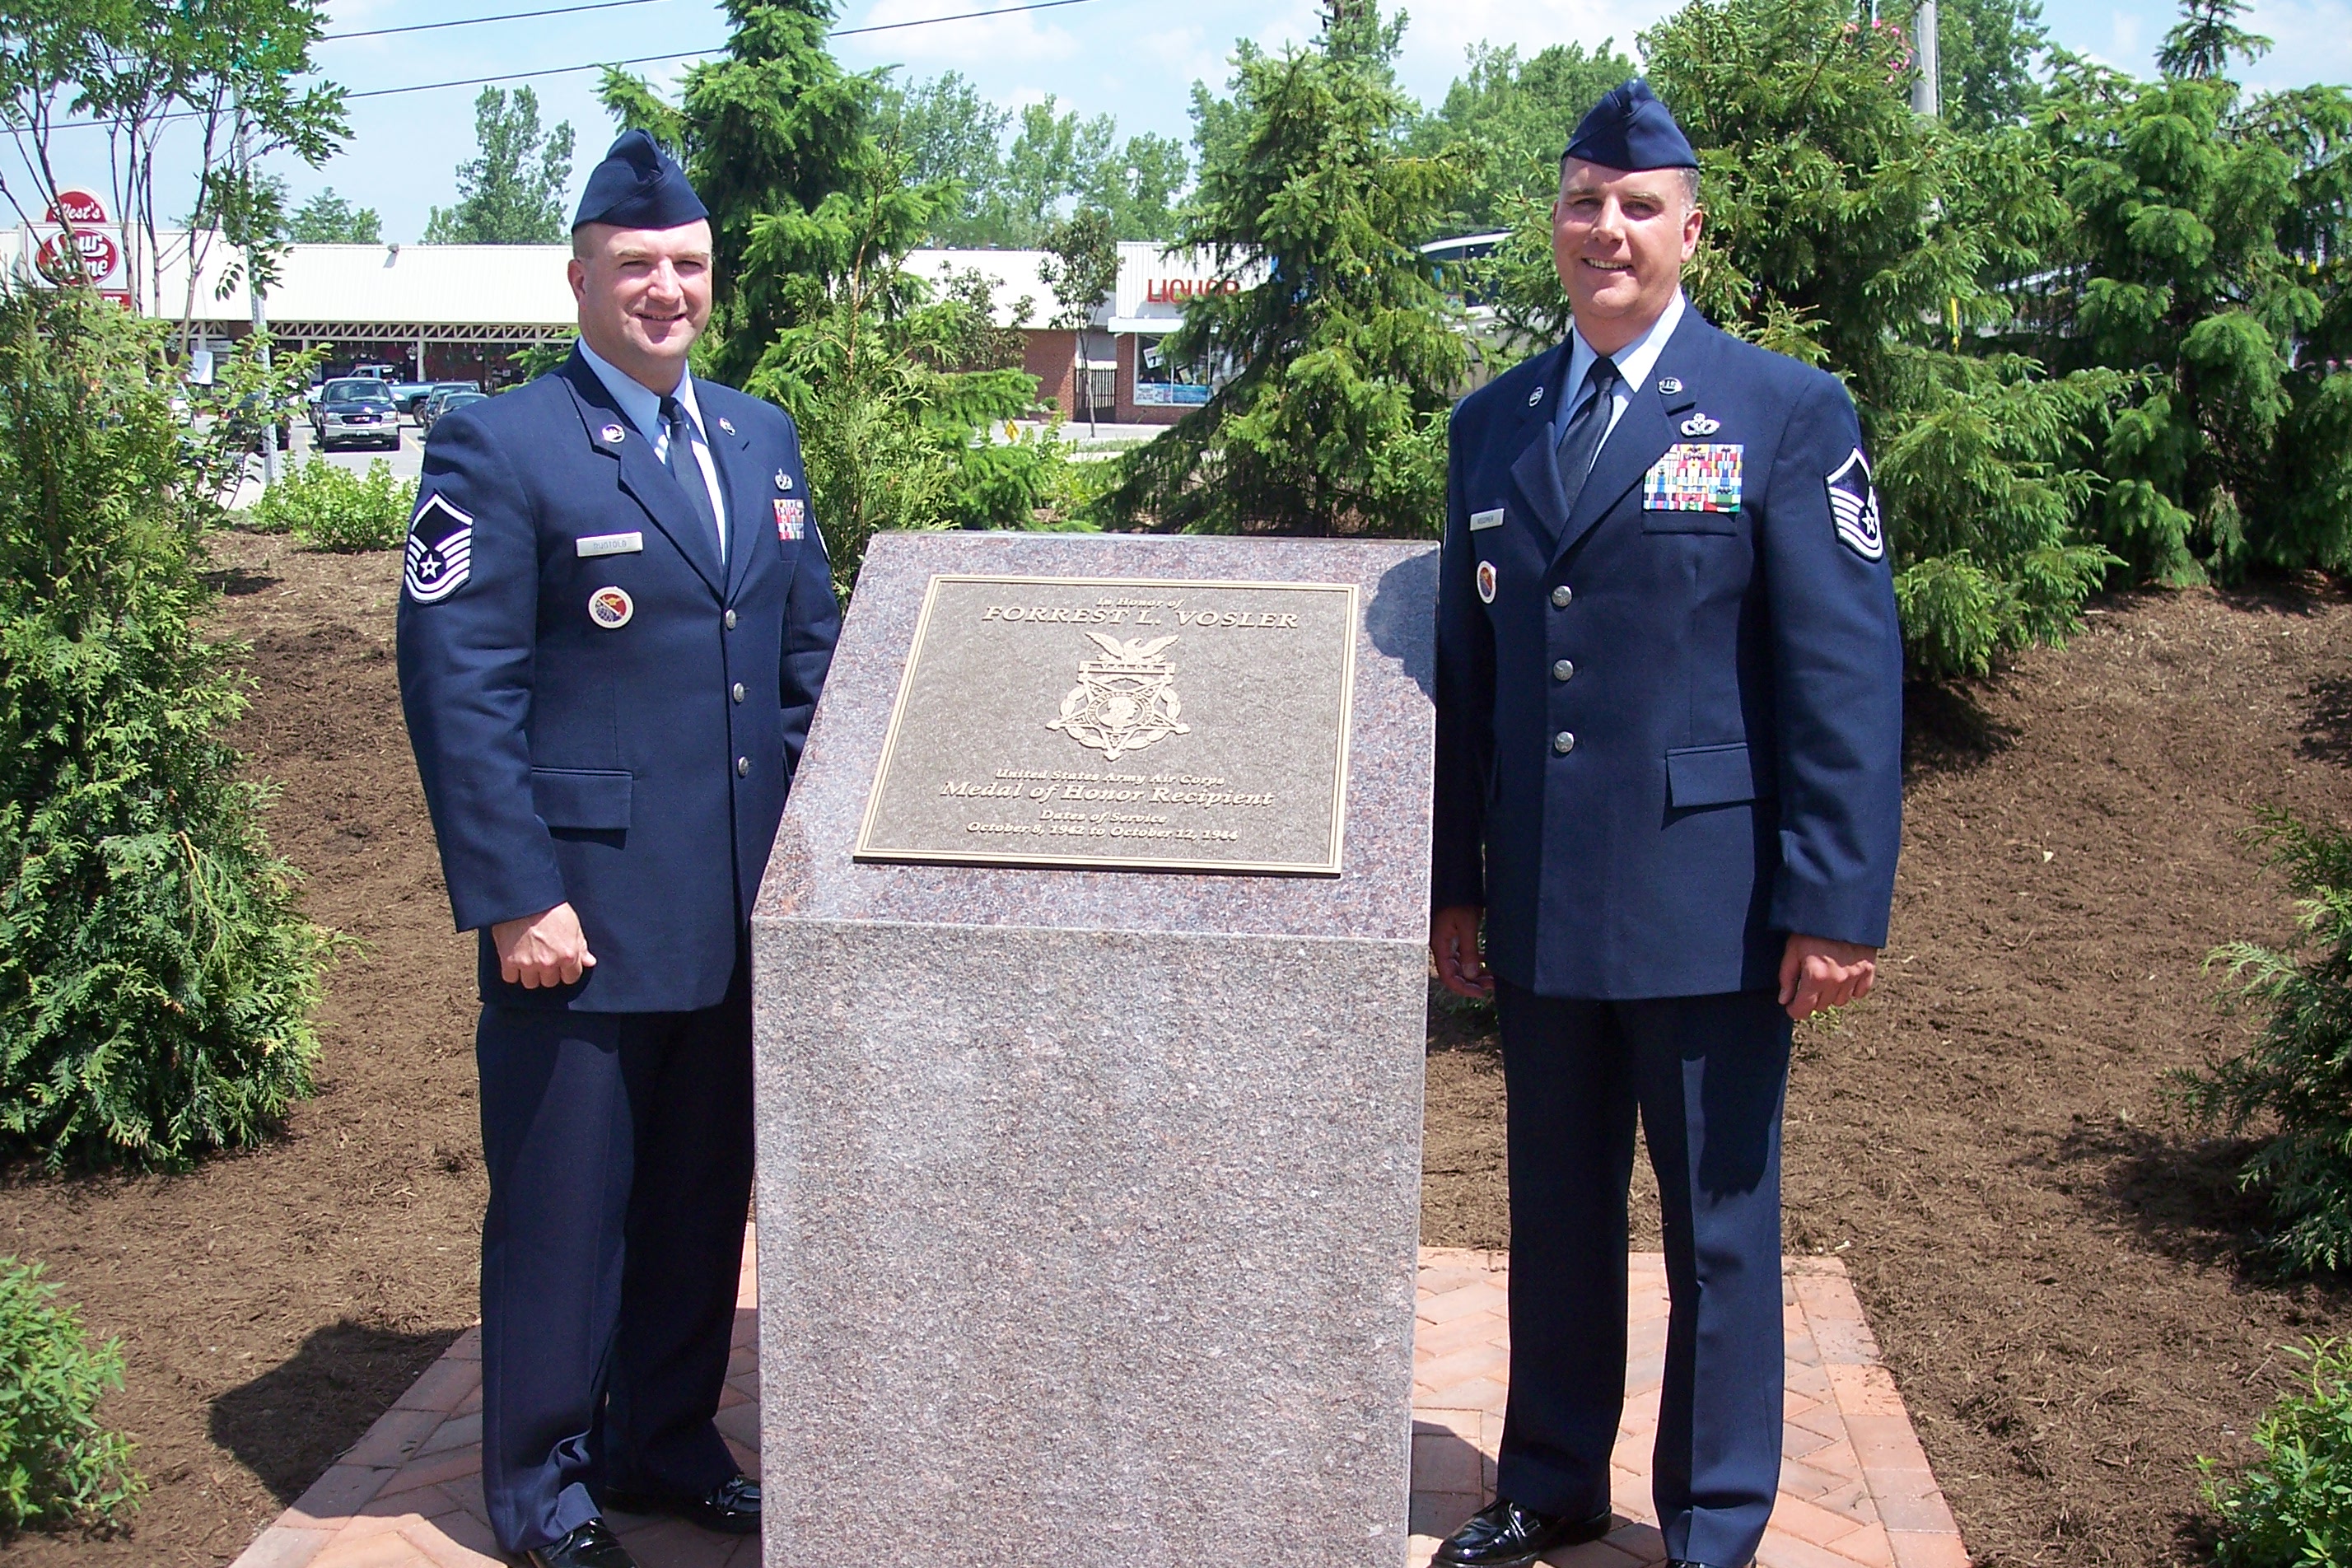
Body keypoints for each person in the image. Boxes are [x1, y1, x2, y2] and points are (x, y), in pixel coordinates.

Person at [1427, 81, 1902, 1568]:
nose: (1607, 229)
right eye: (1583, 201)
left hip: (1715, 900)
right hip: (1550, 901)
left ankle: (1712, 1519)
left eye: (1638, 206)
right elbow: (1467, 676)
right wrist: (1457, 883)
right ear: (1553, 226)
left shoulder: (1780, 408)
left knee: (1714, 1234)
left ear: (1691, 228)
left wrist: (1836, 899)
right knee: (1555, 1218)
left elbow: (1843, 667)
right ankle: (1551, 1478)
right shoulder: (1494, 424)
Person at [396, 129, 840, 1568]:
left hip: (731, 908)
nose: (667, 289)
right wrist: (519, 896)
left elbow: (804, 662)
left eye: (690, 265)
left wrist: (820, 868)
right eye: (637, 263)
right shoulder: (501, 442)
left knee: (703, 1201)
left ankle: (662, 1439)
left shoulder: (760, 436)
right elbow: (460, 690)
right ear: (578, 274)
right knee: (564, 1219)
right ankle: (538, 1486)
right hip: (576, 920)